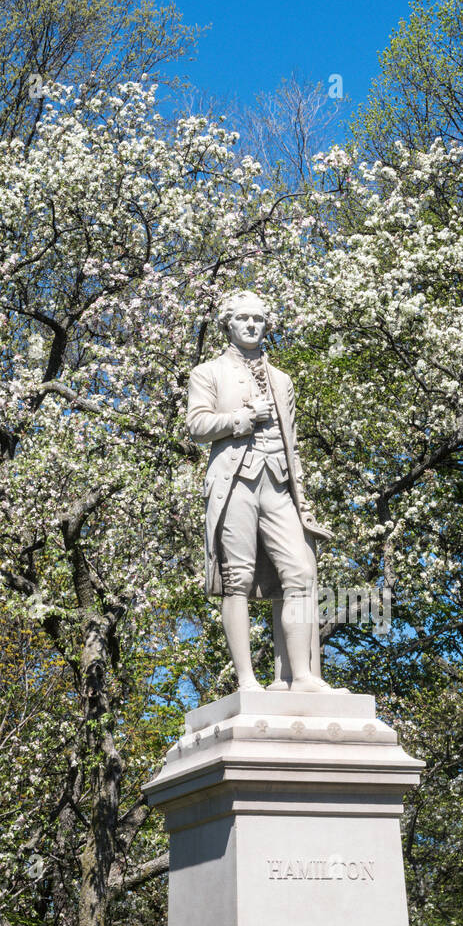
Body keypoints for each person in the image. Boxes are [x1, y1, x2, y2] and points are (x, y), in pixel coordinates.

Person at [187, 290, 334, 692]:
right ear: (228, 324)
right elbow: (197, 426)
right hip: (235, 483)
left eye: (258, 319)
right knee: (238, 579)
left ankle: (299, 676)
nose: (251, 325)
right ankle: (247, 680)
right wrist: (244, 418)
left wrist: (303, 501)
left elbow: (293, 443)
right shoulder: (208, 372)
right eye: (243, 318)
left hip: (278, 485)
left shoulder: (282, 379)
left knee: (301, 574)